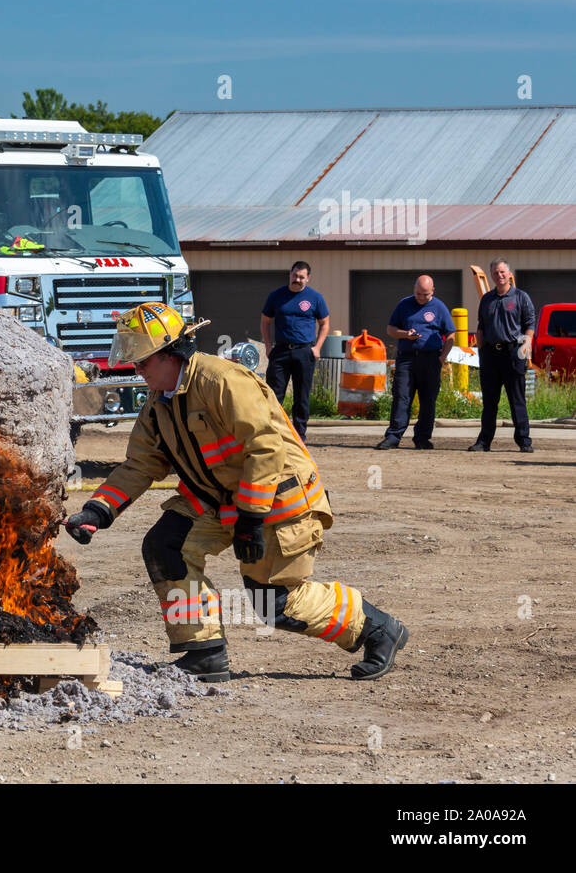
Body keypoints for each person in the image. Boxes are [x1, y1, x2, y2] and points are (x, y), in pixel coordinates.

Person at [63, 302, 409, 683]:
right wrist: (98, 511)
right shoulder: (159, 402)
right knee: (166, 546)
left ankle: (376, 628)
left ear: (171, 352)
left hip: (277, 502)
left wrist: (250, 520)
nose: (137, 369)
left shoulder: (223, 381)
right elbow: (141, 464)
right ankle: (204, 653)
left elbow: (265, 447)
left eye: (143, 360)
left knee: (274, 603)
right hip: (220, 501)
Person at [375, 275, 456, 450]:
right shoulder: (404, 304)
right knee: (401, 397)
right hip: (407, 358)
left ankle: (422, 438)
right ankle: (393, 436)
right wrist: (405, 334)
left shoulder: (439, 307)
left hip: (431, 358)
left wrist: (442, 357)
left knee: (428, 400)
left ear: (432, 291)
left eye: (425, 294)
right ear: (414, 289)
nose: (420, 297)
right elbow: (390, 329)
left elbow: (450, 335)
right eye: (418, 293)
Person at [470, 258, 535, 453]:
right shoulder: (487, 299)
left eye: (502, 272)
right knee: (489, 401)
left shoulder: (521, 297)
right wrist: (481, 352)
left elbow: (530, 324)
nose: (499, 276)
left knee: (517, 400)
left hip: (513, 353)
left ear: (509, 274)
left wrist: (526, 345)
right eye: (496, 273)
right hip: (490, 355)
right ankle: (484, 442)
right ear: (491, 276)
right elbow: (481, 326)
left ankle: (524, 441)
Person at [261, 262, 330, 440]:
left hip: (304, 352)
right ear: (290, 274)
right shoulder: (276, 296)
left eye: (301, 277)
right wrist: (268, 347)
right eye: (294, 275)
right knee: (274, 395)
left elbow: (324, 323)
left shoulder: (315, 297)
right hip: (281, 351)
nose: (297, 280)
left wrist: (317, 348)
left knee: (302, 395)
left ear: (308, 278)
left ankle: (299, 434)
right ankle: (273, 431)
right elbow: (265, 321)